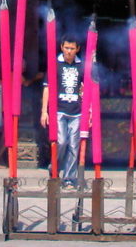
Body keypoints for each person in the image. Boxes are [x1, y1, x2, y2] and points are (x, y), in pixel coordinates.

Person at [40, 37, 83, 188]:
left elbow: (86, 89)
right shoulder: (55, 65)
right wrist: (44, 111)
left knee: (73, 146)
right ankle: (55, 167)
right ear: (61, 47)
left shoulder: (81, 65)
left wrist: (88, 110)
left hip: (76, 111)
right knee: (61, 141)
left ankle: (70, 178)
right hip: (59, 110)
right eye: (66, 48)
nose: (69, 51)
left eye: (72, 48)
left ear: (77, 49)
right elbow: (47, 87)